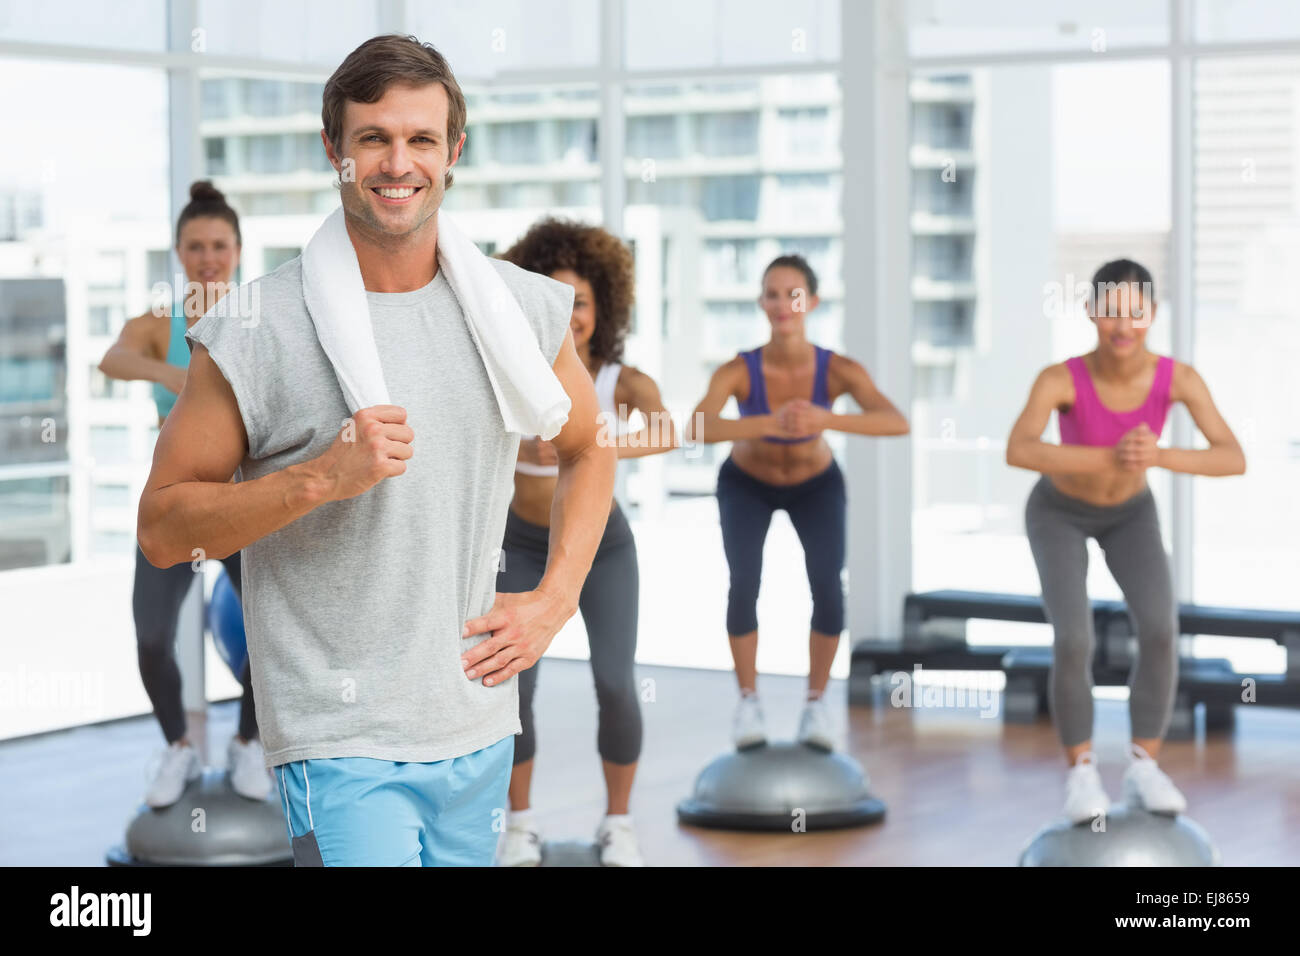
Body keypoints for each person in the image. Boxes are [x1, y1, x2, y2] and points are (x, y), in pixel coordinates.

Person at [137, 34, 616, 866]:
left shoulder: (519, 311)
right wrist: (320, 476)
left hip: (476, 721)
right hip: (338, 735)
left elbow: (588, 446)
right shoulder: (257, 329)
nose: (399, 163)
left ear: (453, 151)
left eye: (421, 139)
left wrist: (555, 598)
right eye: (374, 138)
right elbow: (163, 528)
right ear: (336, 150)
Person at [1006, 258, 1245, 824]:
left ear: (1152, 314)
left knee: (1161, 629)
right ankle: (1082, 773)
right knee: (1074, 637)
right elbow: (1019, 449)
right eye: (1109, 312)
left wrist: (1157, 456)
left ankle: (1142, 767)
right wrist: (1109, 455)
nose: (1122, 326)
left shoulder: (1177, 378)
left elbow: (1231, 457)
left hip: (1130, 513)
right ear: (1090, 312)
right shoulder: (1060, 378)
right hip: (1058, 512)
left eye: (1134, 313)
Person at [494, 218, 675, 867]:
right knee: (512, 687)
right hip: (516, 542)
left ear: (603, 310)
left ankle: (619, 823)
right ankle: (520, 826)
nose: (569, 318)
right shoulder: (505, 370)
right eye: (555, 301)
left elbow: (666, 427)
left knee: (616, 683)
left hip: (602, 545)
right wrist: (523, 440)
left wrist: (594, 443)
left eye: (581, 304)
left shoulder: (615, 378)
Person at [688, 254, 908, 751]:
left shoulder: (838, 370)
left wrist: (826, 421)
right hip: (747, 482)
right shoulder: (739, 369)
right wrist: (765, 423)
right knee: (744, 584)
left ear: (811, 301)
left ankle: (815, 705)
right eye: (771, 293)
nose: (782, 304)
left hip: (816, 484)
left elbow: (895, 421)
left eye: (792, 294)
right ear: (762, 302)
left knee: (829, 588)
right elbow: (698, 427)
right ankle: (748, 703)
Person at [98, 181, 267, 806]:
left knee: (274, 636)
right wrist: (174, 372)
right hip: (173, 508)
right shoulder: (157, 326)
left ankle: (249, 743)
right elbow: (112, 360)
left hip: (242, 506)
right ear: (178, 251)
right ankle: (178, 750)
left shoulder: (260, 322)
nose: (208, 258)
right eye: (195, 246)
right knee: (150, 637)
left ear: (239, 250)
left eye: (219, 245)